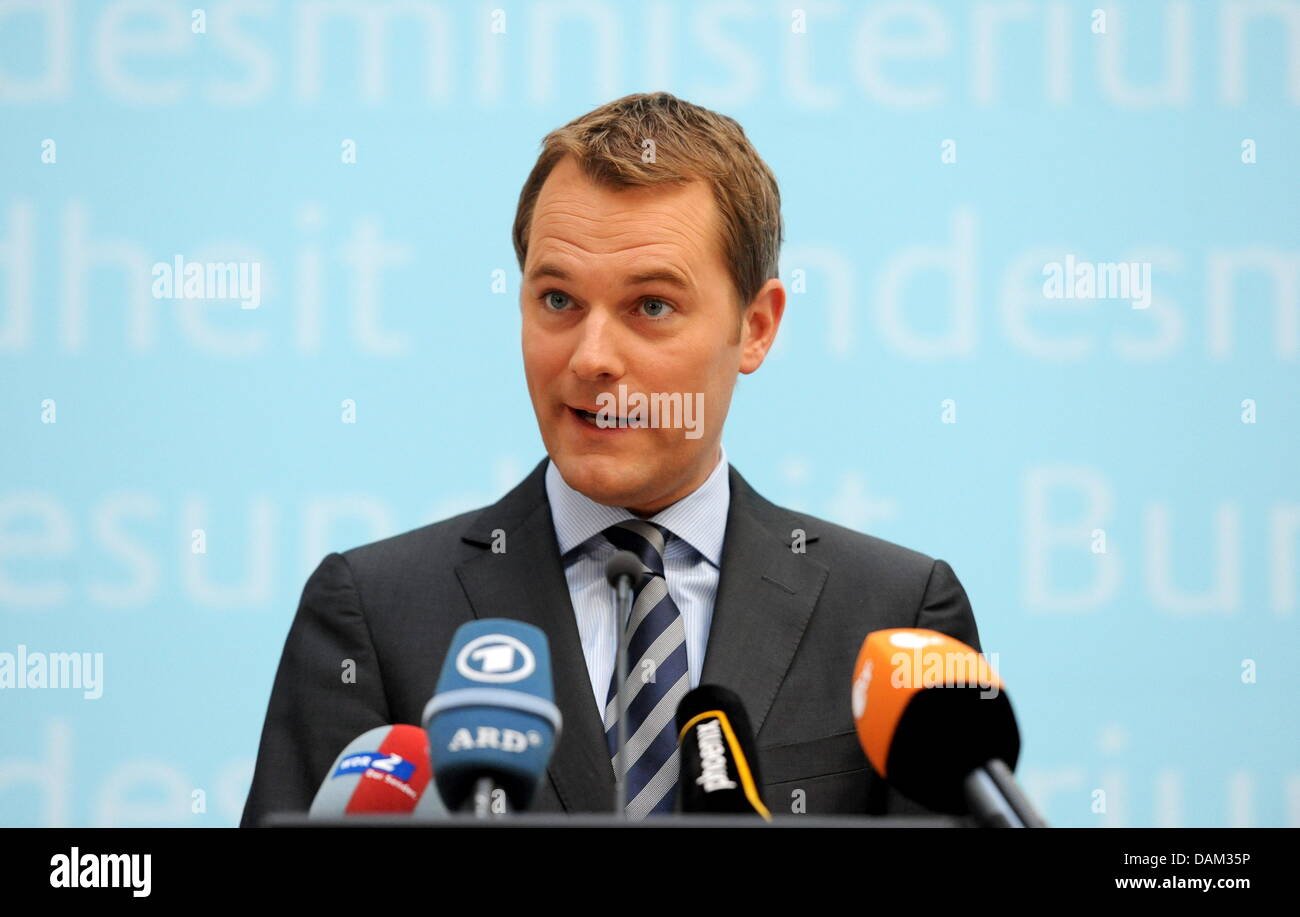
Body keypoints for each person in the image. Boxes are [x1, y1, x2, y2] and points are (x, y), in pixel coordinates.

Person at [241, 91, 980, 825]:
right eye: (558, 300)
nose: (592, 358)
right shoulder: (373, 613)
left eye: (650, 306)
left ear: (756, 327)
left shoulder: (894, 619)